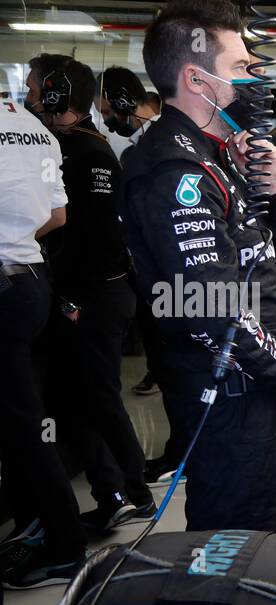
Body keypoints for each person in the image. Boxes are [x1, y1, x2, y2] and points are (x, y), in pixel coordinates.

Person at [121, 0, 276, 534]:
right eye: (240, 69)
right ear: (195, 79)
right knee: (233, 546)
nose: (253, 81)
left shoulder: (224, 155)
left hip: (262, 381)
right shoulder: (171, 168)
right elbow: (209, 302)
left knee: (273, 533)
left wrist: (274, 198)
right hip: (227, 392)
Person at [39, 57, 157, 534]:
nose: (29, 96)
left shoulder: (87, 153)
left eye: (35, 87)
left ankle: (135, 493)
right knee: (76, 400)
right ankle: (115, 492)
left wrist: (70, 297)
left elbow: (95, 235)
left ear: (55, 93)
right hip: (93, 291)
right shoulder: (74, 145)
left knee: (100, 399)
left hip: (97, 294)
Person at [0, 93, 87, 589]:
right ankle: (37, 523)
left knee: (25, 427)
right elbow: (57, 216)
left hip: (5, 284)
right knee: (22, 418)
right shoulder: (38, 128)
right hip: (31, 279)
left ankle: (65, 548)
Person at [97, 66, 169, 401]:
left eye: (109, 112)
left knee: (173, 365)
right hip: (145, 269)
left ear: (127, 102)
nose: (108, 121)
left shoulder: (160, 142)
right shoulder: (133, 148)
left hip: (168, 272)